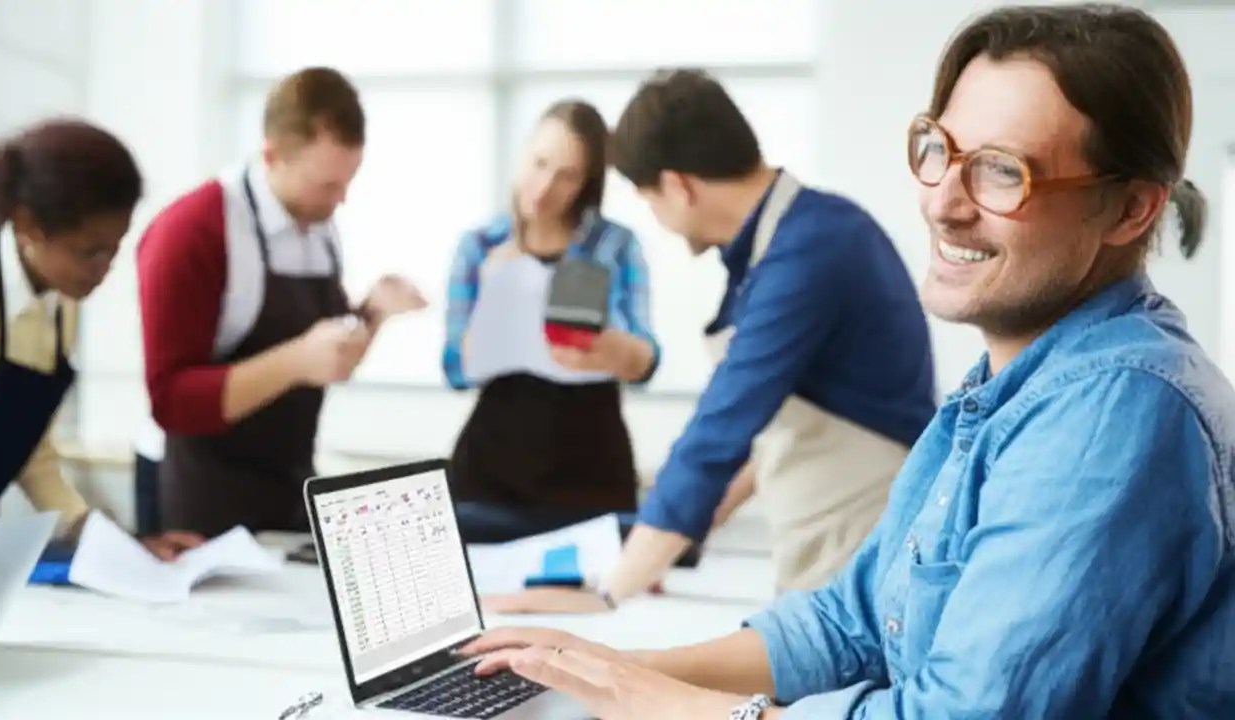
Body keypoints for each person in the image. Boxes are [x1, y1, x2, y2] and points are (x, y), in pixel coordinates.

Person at [460, 4, 1235, 717]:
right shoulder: (1004, 384)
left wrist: (645, 670)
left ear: (1132, 208)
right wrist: (622, 668)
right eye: (939, 150)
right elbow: (852, 622)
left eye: (1004, 170)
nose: (941, 202)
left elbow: (956, 717)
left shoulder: (1111, 410)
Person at [487, 70, 936, 611]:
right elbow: (760, 432)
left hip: (858, 543)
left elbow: (721, 427)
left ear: (678, 186)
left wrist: (609, 593)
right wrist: (668, 544)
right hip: (823, 541)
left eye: (650, 199)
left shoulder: (811, 250)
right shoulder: (788, 241)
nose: (659, 220)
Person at [137, 67, 426, 537]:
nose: (342, 199)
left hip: (289, 488)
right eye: (327, 185)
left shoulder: (319, 224)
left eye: (348, 180)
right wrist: (294, 361)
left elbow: (328, 362)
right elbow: (170, 401)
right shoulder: (191, 231)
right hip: (200, 498)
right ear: (273, 156)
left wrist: (374, 311)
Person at [0, 118, 205, 589]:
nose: (104, 270)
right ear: (29, 224)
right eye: (89, 252)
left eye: (114, 250)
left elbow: (31, 453)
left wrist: (104, 538)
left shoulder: (59, 306)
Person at [442, 100, 659, 543]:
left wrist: (612, 349)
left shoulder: (615, 247)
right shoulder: (480, 246)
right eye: (539, 164)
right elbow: (455, 371)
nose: (544, 188)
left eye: (567, 175)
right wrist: (494, 302)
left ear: (588, 183)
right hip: (490, 475)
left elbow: (646, 364)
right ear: (523, 154)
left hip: (593, 470)